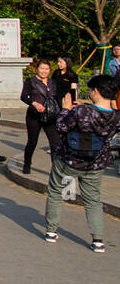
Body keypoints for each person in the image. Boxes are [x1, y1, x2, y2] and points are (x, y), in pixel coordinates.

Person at [44, 75, 119, 252]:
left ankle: (51, 231)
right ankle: (98, 240)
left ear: (96, 91)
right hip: (96, 162)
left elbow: (61, 127)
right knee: (93, 200)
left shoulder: (83, 111)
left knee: (55, 192)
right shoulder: (115, 117)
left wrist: (65, 109)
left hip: (69, 159)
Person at [20, 58, 56, 176]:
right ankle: (27, 164)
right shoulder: (31, 81)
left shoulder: (52, 82)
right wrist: (34, 103)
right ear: (37, 69)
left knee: (55, 143)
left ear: (49, 70)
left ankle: (55, 170)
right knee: (32, 142)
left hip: (50, 116)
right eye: (41, 68)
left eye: (46, 69)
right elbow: (24, 96)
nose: (44, 71)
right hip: (34, 116)